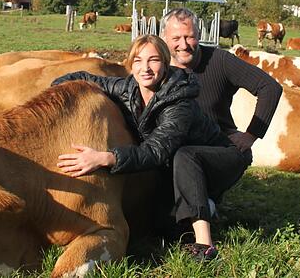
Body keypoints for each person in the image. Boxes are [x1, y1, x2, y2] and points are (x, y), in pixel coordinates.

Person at [52, 35, 249, 261]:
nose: (145, 68)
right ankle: (205, 205)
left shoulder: (178, 100)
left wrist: (105, 158)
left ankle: (206, 246)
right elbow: (85, 78)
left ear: (165, 64)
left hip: (220, 159)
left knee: (186, 155)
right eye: (138, 60)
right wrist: (58, 95)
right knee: (162, 226)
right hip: (176, 168)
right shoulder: (127, 88)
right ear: (131, 64)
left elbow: (157, 151)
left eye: (153, 60)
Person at [160, 8, 282, 152]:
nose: (184, 45)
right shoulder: (157, 66)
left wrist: (251, 135)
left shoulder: (219, 60)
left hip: (216, 147)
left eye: (189, 37)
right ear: (163, 39)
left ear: (199, 35)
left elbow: (269, 87)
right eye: (176, 38)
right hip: (170, 147)